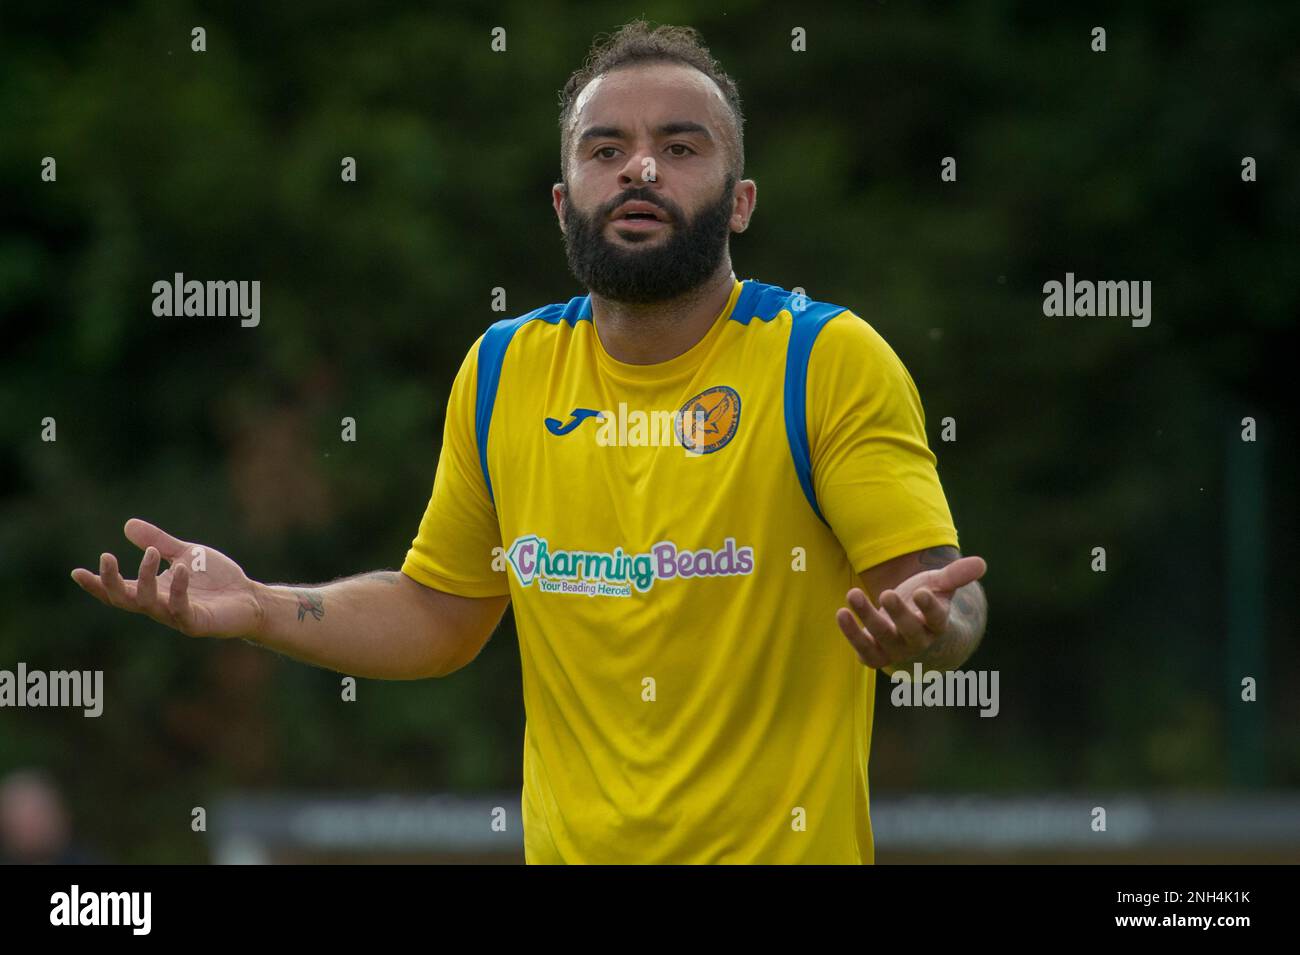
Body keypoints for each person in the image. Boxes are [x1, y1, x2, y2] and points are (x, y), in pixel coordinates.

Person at [72, 19, 987, 863]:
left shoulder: (825, 358)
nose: (641, 170)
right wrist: (263, 605)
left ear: (741, 201)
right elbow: (441, 611)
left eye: (679, 146)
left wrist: (927, 631)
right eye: (607, 149)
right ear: (562, 200)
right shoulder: (506, 369)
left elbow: (944, 603)